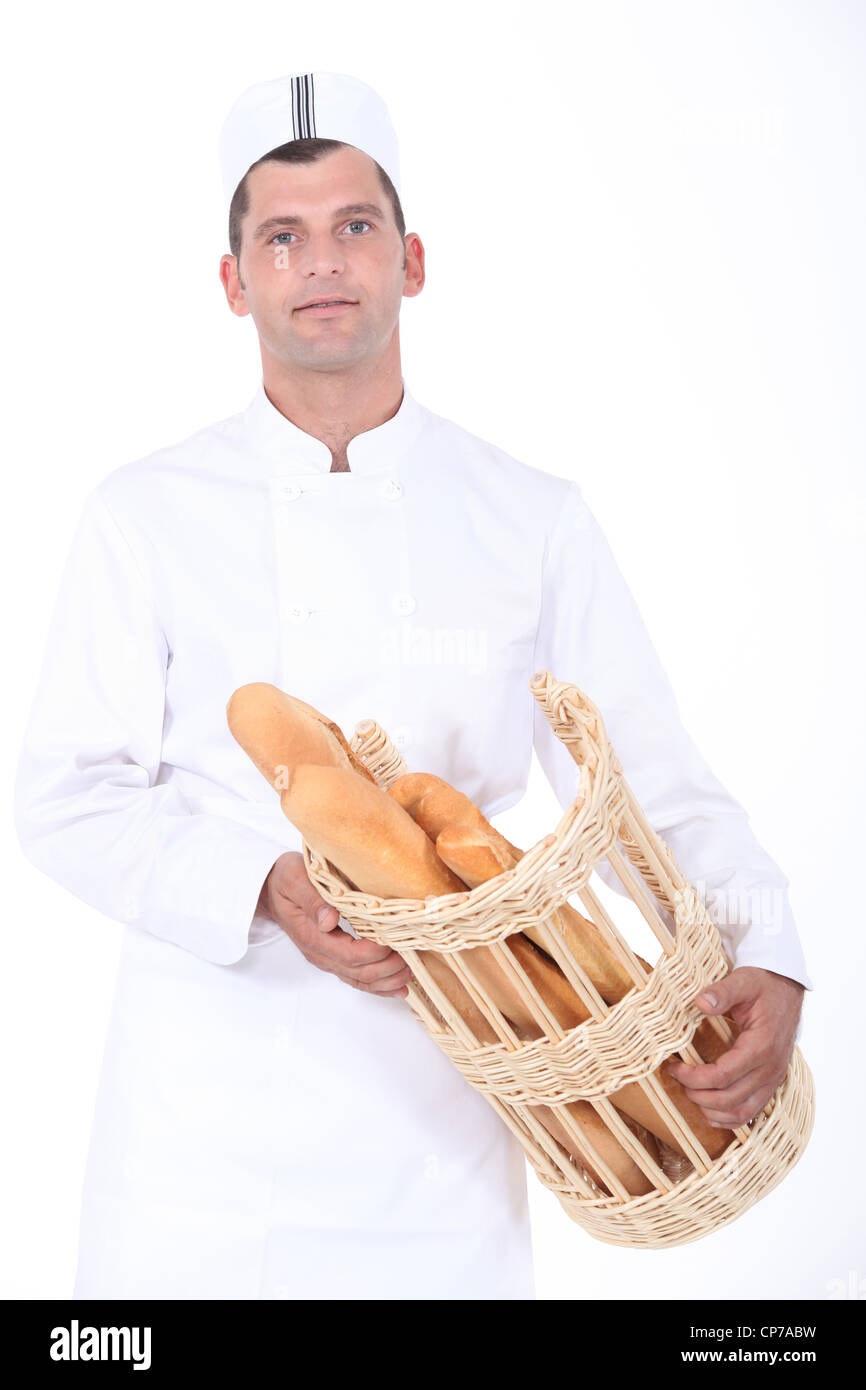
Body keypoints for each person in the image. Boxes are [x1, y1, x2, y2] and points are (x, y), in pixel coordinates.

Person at [13, 70, 811, 1301]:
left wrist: (771, 948)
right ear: (235, 284)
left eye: (353, 227)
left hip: (445, 1125)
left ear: (412, 261)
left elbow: (644, 776)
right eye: (281, 237)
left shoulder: (531, 517)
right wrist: (265, 888)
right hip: (196, 1150)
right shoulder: (142, 516)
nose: (320, 261)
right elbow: (65, 794)